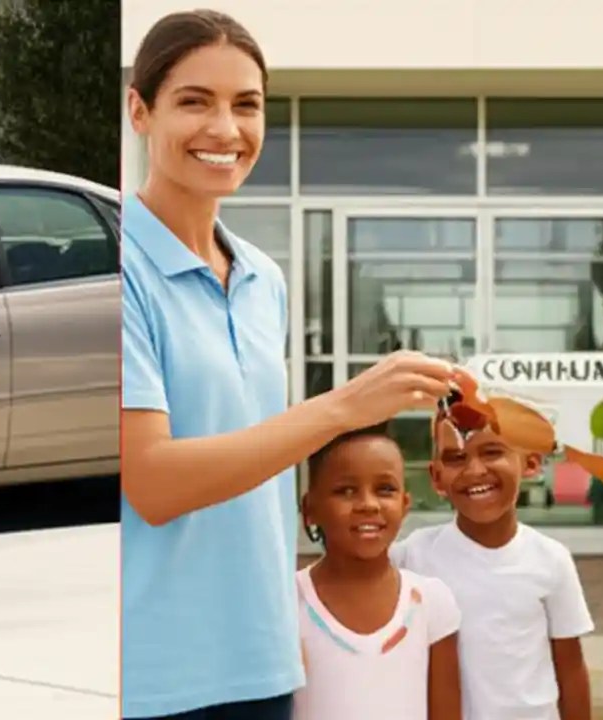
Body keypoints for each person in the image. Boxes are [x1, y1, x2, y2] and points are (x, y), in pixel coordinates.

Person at [120, 9, 461, 719]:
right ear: (139, 111)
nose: (226, 129)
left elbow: (254, 459)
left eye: (246, 105)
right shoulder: (118, 271)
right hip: (152, 671)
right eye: (194, 101)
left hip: (263, 658)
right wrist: (345, 407)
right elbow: (151, 483)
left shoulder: (262, 278)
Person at [390, 395, 595, 720]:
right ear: (436, 477)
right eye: (456, 458)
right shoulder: (411, 556)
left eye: (492, 452)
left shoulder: (551, 560)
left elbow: (570, 668)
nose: (475, 470)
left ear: (530, 463)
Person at [295, 424, 462, 719]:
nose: (368, 505)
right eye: (345, 491)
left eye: (385, 489)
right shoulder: (288, 603)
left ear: (405, 503)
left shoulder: (431, 601)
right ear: (310, 509)